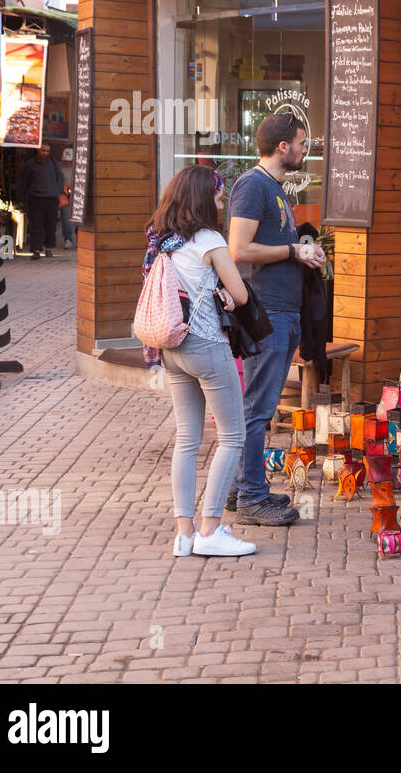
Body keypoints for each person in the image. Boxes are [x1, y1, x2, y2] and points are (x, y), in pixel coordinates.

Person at [144, 166, 256, 557]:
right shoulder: (209, 240)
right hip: (207, 347)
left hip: (172, 350)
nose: (221, 202)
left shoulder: (164, 242)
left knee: (188, 440)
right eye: (218, 195)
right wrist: (225, 290)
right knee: (232, 436)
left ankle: (184, 534)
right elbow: (240, 294)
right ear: (201, 199)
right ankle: (211, 529)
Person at [226, 112, 326, 525]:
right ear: (283, 146)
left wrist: (304, 253)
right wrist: (292, 252)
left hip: (282, 313)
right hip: (265, 313)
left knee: (258, 407)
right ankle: (252, 497)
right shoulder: (252, 186)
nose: (306, 150)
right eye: (302, 143)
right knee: (258, 410)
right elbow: (238, 249)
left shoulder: (275, 190)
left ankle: (236, 488)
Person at [19, 143, 64, 257]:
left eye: (47, 151)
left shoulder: (53, 163)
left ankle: (48, 247)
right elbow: (24, 182)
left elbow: (60, 177)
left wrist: (57, 191)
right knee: (36, 224)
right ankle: (36, 249)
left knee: (51, 224)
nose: (45, 153)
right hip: (36, 198)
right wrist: (21, 198)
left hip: (51, 198)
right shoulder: (30, 164)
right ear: (38, 151)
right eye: (43, 150)